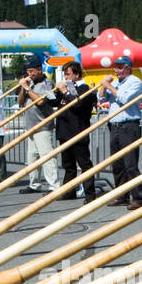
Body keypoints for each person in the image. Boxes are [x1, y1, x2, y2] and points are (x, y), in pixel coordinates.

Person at [97, 55, 142, 208]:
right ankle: (121, 195)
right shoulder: (115, 82)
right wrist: (104, 86)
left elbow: (124, 99)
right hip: (115, 126)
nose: (116, 70)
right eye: (115, 67)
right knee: (117, 164)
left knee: (130, 163)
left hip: (129, 125)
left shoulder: (135, 82)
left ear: (127, 68)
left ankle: (137, 197)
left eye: (119, 67)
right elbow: (102, 99)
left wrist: (110, 86)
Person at [17, 56, 62, 194]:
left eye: (32, 71)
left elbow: (41, 102)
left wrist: (28, 88)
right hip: (31, 126)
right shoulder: (30, 84)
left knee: (47, 157)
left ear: (39, 69)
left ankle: (54, 186)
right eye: (28, 71)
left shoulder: (46, 83)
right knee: (32, 157)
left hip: (43, 125)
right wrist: (22, 88)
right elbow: (20, 102)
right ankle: (34, 184)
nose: (30, 74)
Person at [55, 62, 97, 201]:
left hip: (78, 132)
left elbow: (78, 105)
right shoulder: (65, 90)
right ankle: (69, 192)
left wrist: (65, 92)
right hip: (64, 131)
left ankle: (90, 195)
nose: (65, 77)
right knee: (68, 165)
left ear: (77, 74)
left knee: (84, 164)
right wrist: (53, 91)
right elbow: (51, 103)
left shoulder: (84, 88)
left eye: (68, 74)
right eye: (64, 74)